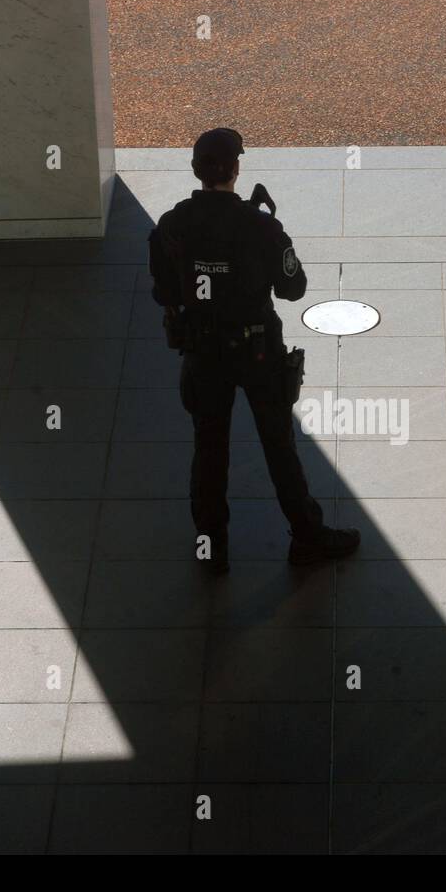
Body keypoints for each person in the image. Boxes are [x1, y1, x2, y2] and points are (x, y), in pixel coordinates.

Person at [148, 127, 359, 574]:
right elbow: (294, 289)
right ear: (236, 170)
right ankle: (306, 535)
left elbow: (164, 291)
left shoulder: (172, 225)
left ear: (195, 171)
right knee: (279, 447)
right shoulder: (260, 226)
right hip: (257, 350)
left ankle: (211, 548)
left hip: (203, 353)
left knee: (208, 448)